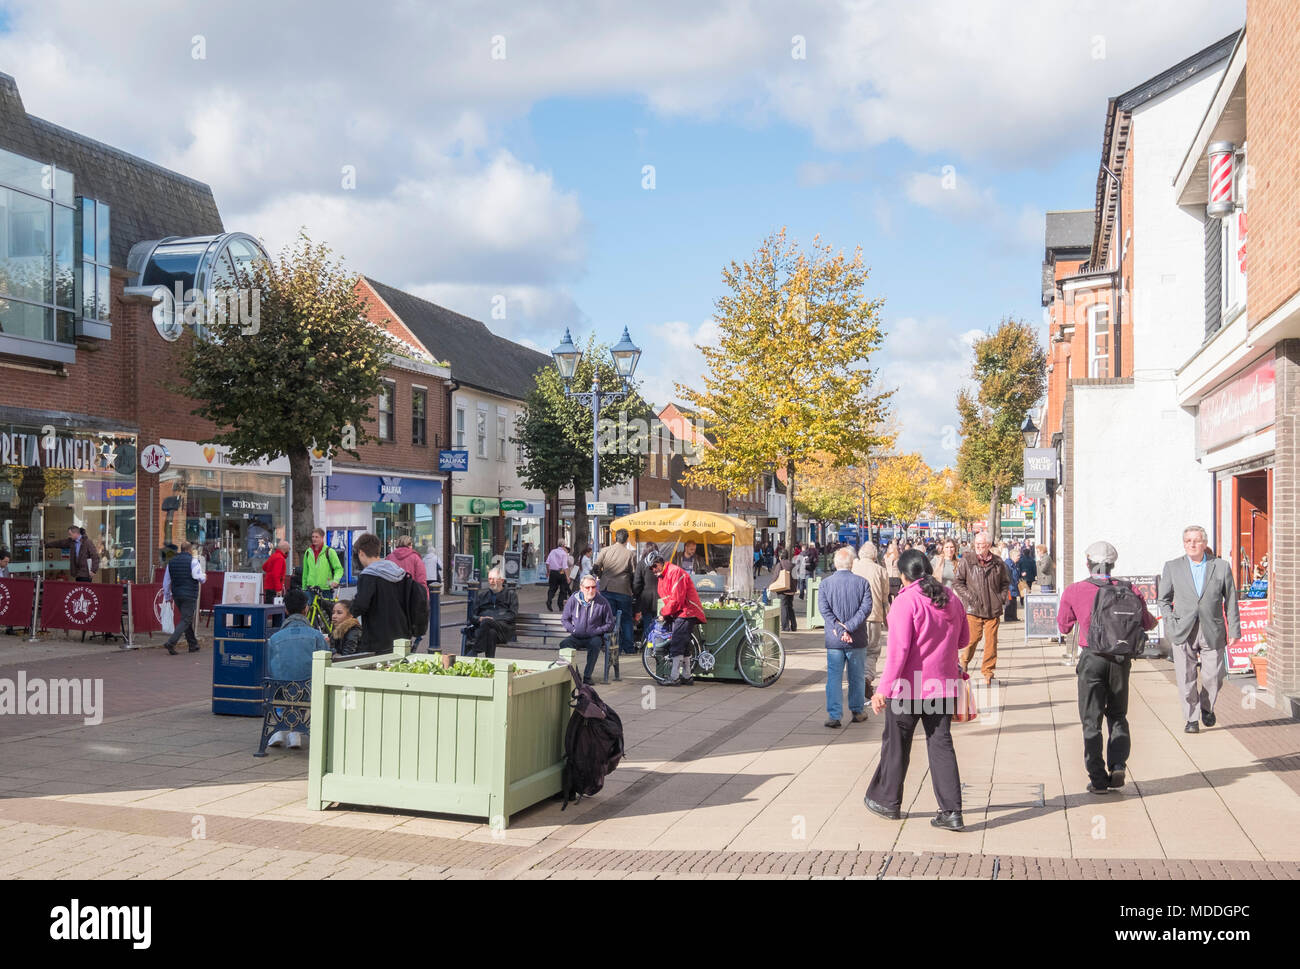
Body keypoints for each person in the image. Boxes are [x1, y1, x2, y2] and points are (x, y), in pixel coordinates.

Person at [864, 549, 968, 830]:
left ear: (903, 575)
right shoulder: (951, 599)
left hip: (908, 688)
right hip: (942, 685)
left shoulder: (905, 602)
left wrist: (882, 690)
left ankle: (888, 801)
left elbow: (898, 652)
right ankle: (952, 811)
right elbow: (964, 639)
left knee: (897, 745)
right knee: (941, 746)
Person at [1057, 541, 1158, 794]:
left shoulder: (1075, 590)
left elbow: (1063, 626)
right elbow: (1146, 622)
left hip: (1092, 659)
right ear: (1113, 564)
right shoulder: (1129, 589)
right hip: (1120, 661)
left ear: (1088, 563)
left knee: (1091, 720)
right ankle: (1118, 764)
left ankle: (1098, 778)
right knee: (1118, 715)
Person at [1158, 526, 1241, 734]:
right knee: (1185, 677)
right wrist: (1169, 622)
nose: (1192, 544)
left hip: (1212, 628)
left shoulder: (1220, 566)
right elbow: (1164, 599)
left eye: (1196, 540)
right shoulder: (1173, 567)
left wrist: (1234, 630)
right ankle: (1191, 718)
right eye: (1188, 541)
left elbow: (1231, 599)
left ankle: (1206, 706)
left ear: (1204, 543)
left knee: (1214, 675)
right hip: (1182, 628)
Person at [265, 587, 330, 749]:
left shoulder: (274, 638)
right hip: (308, 692)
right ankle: (296, 733)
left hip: (281, 693)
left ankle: (279, 729)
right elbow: (325, 664)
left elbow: (271, 669)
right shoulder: (316, 636)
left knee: (281, 683)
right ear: (306, 609)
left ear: (286, 610)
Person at [818, 547, 874, 728]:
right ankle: (857, 711)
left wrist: (839, 628)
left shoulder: (826, 584)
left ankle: (834, 715)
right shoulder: (862, 583)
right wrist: (849, 628)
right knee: (856, 677)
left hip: (834, 639)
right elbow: (865, 609)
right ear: (852, 563)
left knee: (834, 678)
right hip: (856, 638)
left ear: (835, 563)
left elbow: (824, 609)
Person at [352, 532, 428, 655]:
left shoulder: (368, 576)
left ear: (361, 553)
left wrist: (347, 610)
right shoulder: (398, 572)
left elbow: (360, 605)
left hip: (378, 638)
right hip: (402, 634)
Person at [952, 531, 1009, 685]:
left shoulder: (998, 562)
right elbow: (957, 582)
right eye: (976, 544)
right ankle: (964, 660)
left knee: (991, 641)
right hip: (973, 608)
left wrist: (1001, 598)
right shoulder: (967, 560)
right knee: (973, 638)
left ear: (989, 546)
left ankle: (988, 671)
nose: (977, 547)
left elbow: (1005, 582)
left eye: (981, 545)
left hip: (993, 608)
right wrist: (970, 597)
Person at [648, 549, 706, 686]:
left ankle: (674, 677)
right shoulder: (664, 574)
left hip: (686, 611)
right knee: (683, 645)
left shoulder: (674, 572)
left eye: (654, 566)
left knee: (677, 644)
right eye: (651, 568)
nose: (653, 570)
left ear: (660, 562)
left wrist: (663, 613)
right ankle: (687, 676)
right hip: (681, 612)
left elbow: (676, 600)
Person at [851, 543, 890, 699]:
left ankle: (857, 680)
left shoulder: (853, 569)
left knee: (856, 650)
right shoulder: (880, 570)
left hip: (854, 617)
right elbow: (884, 598)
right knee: (872, 651)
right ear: (875, 556)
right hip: (874, 615)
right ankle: (866, 677)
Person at [562, 573, 616, 685]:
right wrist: (573, 630)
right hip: (576, 635)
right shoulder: (573, 600)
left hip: (594, 637)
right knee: (564, 644)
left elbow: (610, 624)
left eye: (593, 587)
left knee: (595, 644)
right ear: (581, 588)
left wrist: (596, 631)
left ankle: (587, 676)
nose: (591, 590)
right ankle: (575, 674)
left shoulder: (602, 602)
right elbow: (565, 619)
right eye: (587, 587)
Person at [595, 529, 638, 655]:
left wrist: (602, 576)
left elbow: (595, 567)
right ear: (626, 539)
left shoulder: (605, 550)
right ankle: (629, 648)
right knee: (626, 619)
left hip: (606, 588)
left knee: (610, 619)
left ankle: (613, 647)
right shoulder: (630, 554)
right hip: (623, 589)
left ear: (615, 538)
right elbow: (633, 574)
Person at [161, 541, 206, 655]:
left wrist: (167, 595)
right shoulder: (193, 561)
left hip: (177, 594)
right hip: (189, 594)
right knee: (186, 619)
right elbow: (197, 576)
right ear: (190, 550)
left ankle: (193, 644)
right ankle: (171, 642)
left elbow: (166, 581)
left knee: (186, 619)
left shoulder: (171, 562)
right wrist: (204, 577)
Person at [466, 567, 518, 658]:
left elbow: (512, 615)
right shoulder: (483, 596)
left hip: (503, 630)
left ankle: (475, 650)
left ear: (501, 580)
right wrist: (480, 619)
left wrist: (493, 620)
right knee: (491, 633)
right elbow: (472, 616)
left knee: (487, 622)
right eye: (490, 579)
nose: (492, 581)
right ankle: (490, 663)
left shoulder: (511, 595)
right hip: (486, 631)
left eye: (494, 579)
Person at [301, 528, 343, 593]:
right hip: (310, 589)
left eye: (316, 537)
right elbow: (305, 571)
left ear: (322, 537)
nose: (314, 539)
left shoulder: (330, 551)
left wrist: (336, 581)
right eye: (313, 537)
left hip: (325, 589)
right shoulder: (308, 552)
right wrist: (304, 588)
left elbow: (339, 568)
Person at [775, 549, 798, 631]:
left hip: (783, 589)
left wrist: (771, 585)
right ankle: (794, 625)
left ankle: (785, 627)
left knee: (784, 607)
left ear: (780, 557)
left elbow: (776, 576)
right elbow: (795, 578)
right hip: (791, 590)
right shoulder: (793, 565)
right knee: (790, 607)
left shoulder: (780, 564)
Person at [262, 539, 289, 604]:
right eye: (289, 548)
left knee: (268, 608)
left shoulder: (274, 556)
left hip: (269, 586)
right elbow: (276, 575)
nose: (289, 550)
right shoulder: (280, 558)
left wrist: (270, 571)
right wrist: (278, 589)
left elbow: (264, 567)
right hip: (274, 588)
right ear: (285, 549)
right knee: (276, 610)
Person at [545, 542, 571, 610]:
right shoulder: (564, 553)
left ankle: (549, 600)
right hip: (561, 571)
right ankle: (560, 605)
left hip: (553, 572)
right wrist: (567, 577)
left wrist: (548, 572)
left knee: (552, 588)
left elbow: (547, 562)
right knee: (562, 589)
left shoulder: (552, 551)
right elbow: (565, 566)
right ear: (564, 546)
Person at [1003, 545, 1023, 622]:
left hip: (1014, 586)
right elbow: (1007, 575)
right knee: (1009, 602)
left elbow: (1017, 574)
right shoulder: (1008, 564)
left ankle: (1014, 616)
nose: (1019, 557)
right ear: (1013, 556)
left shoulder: (1015, 564)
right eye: (1018, 556)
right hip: (1009, 587)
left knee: (1014, 602)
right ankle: (1008, 617)